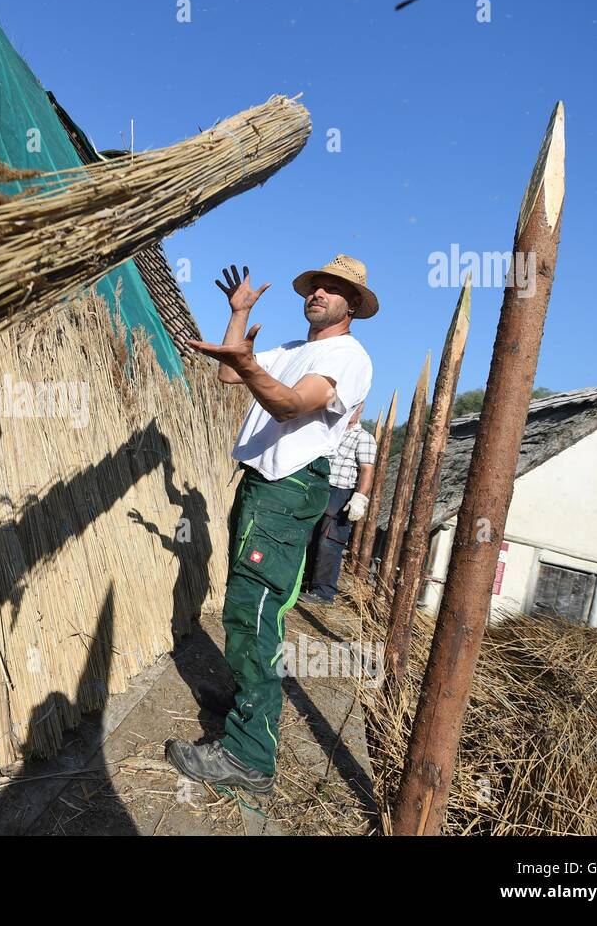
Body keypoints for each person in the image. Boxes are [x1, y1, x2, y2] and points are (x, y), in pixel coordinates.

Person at [166, 254, 377, 795]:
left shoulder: (348, 356)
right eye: (317, 286)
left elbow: (290, 405)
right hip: (261, 484)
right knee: (244, 602)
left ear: (352, 305)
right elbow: (228, 371)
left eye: (334, 290)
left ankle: (250, 756)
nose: (320, 294)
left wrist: (250, 362)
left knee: (254, 611)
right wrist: (238, 318)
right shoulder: (291, 348)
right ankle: (246, 705)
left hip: (290, 489)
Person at [301, 404, 377, 606]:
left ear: (361, 410)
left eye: (356, 408)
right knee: (308, 535)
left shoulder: (363, 438)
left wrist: (359, 498)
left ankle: (324, 593)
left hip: (341, 492)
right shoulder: (331, 432)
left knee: (330, 541)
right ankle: (303, 583)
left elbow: (367, 470)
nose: (351, 412)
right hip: (319, 486)